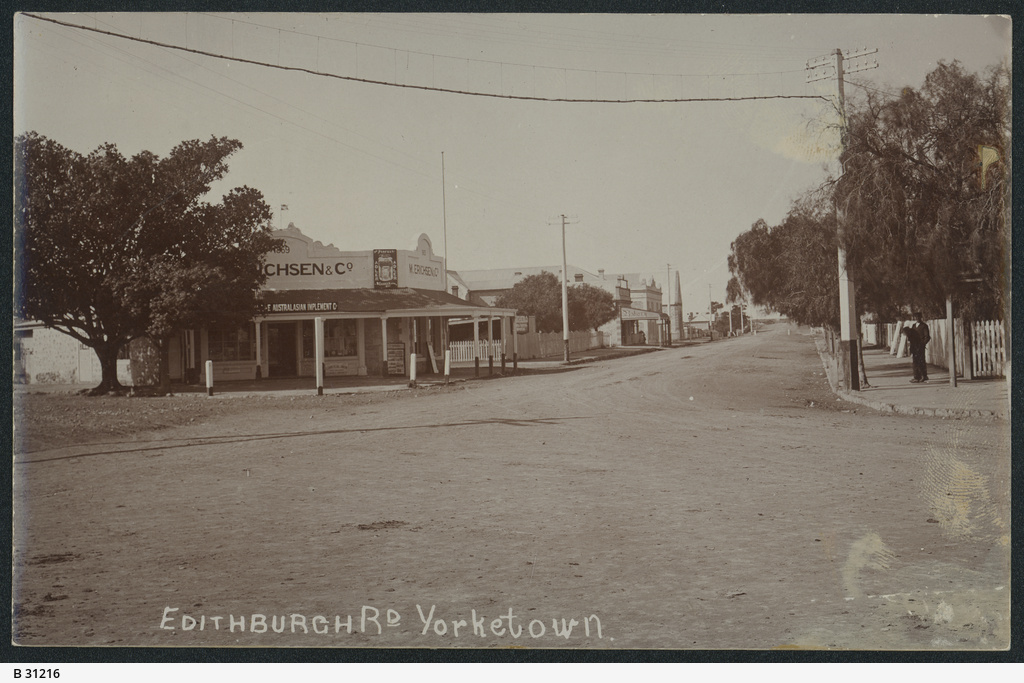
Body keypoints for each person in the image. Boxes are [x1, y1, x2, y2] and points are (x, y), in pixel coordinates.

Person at [900, 313, 931, 383]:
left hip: (920, 346)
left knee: (921, 361)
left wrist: (922, 344)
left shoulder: (924, 326)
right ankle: (916, 377)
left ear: (921, 317)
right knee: (915, 362)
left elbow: (927, 337)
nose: (917, 318)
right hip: (914, 346)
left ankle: (924, 376)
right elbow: (911, 335)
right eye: (916, 317)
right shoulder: (913, 326)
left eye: (918, 317)